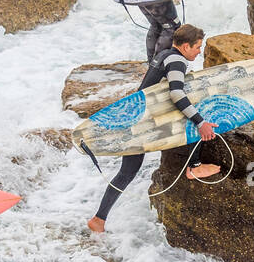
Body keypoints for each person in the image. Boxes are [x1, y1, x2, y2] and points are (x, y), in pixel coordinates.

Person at [87, 23, 221, 233]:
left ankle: (98, 220)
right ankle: (194, 166)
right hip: (145, 122)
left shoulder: (164, 54)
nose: (199, 51)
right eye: (197, 47)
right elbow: (176, 94)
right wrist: (201, 123)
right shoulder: (177, 60)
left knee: (127, 172)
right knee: (197, 116)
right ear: (186, 46)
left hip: (135, 117)